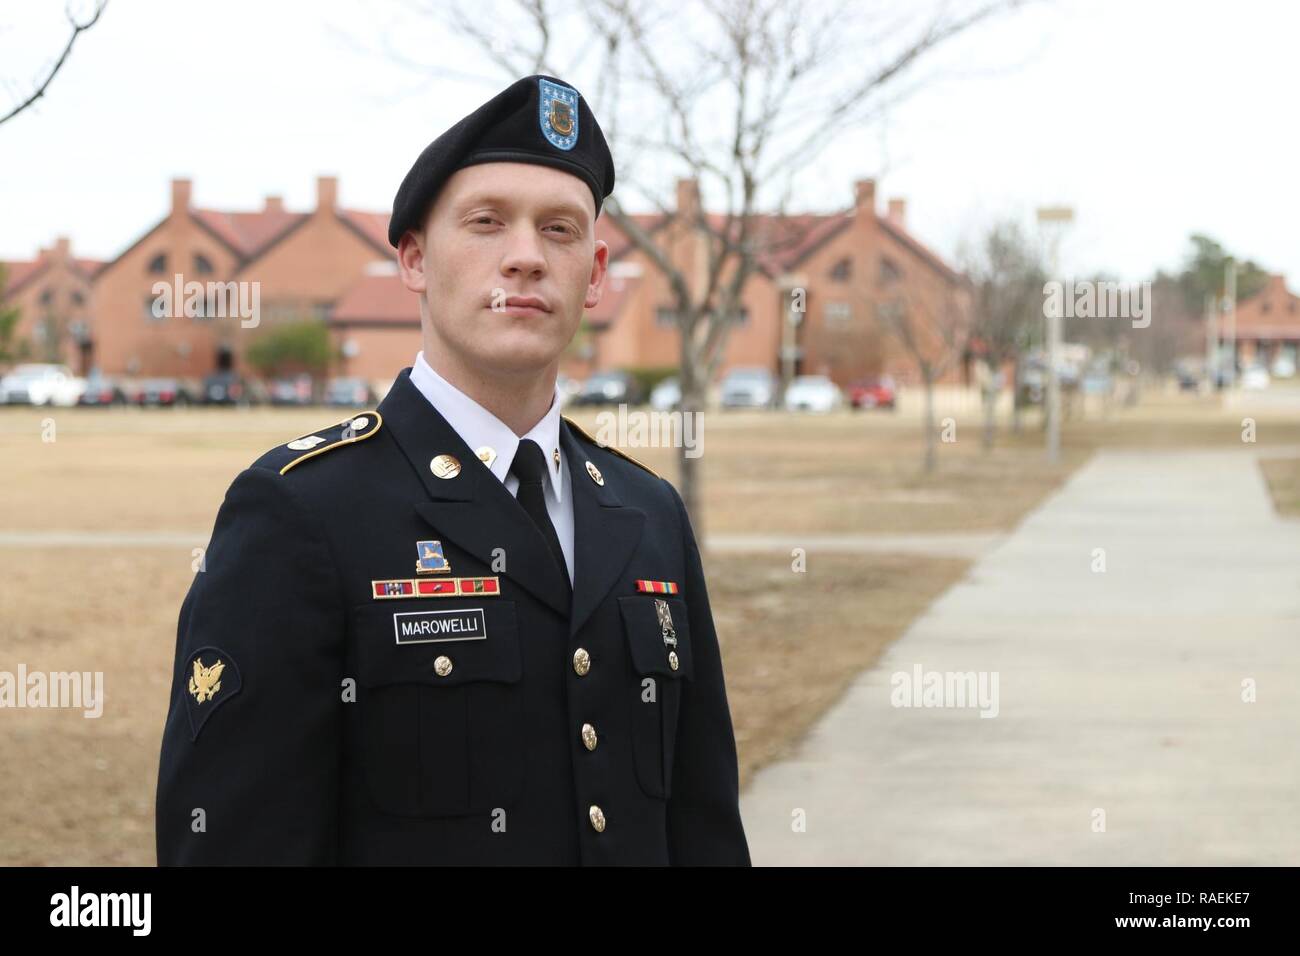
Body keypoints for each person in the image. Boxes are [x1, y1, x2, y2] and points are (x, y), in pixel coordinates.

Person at [155, 74, 750, 865]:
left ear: (598, 275)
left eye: (561, 230)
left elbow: (703, 828)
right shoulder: (303, 513)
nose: (527, 258)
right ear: (413, 260)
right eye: (486, 223)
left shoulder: (648, 516)